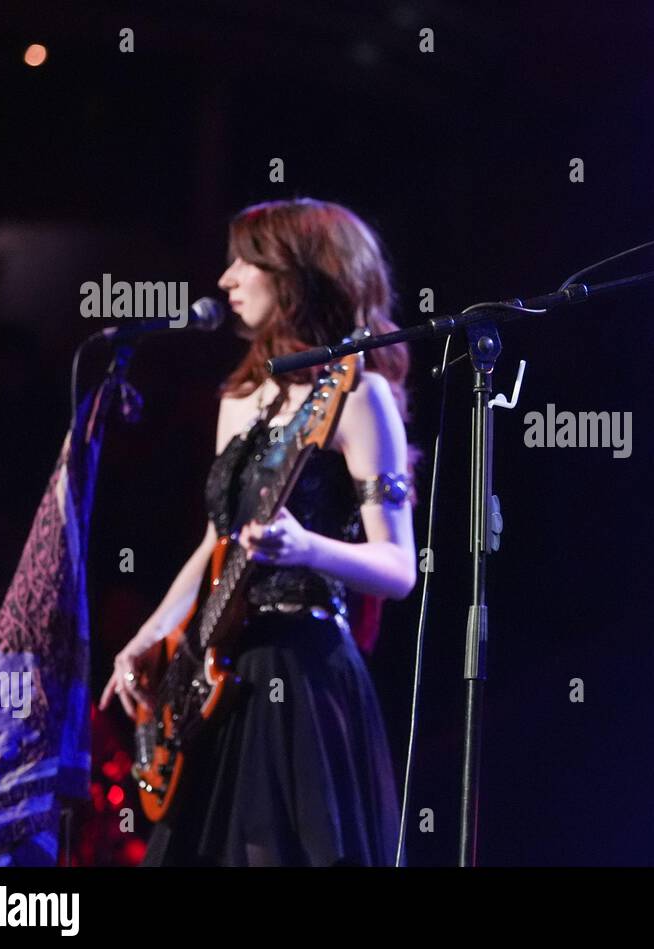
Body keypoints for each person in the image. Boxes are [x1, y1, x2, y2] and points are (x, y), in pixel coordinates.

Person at [97, 198, 419, 866]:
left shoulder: (361, 397)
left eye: (247, 262)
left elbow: (398, 568)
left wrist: (307, 548)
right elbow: (217, 544)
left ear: (298, 276)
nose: (226, 279)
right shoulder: (237, 398)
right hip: (220, 680)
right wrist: (150, 635)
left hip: (302, 675)